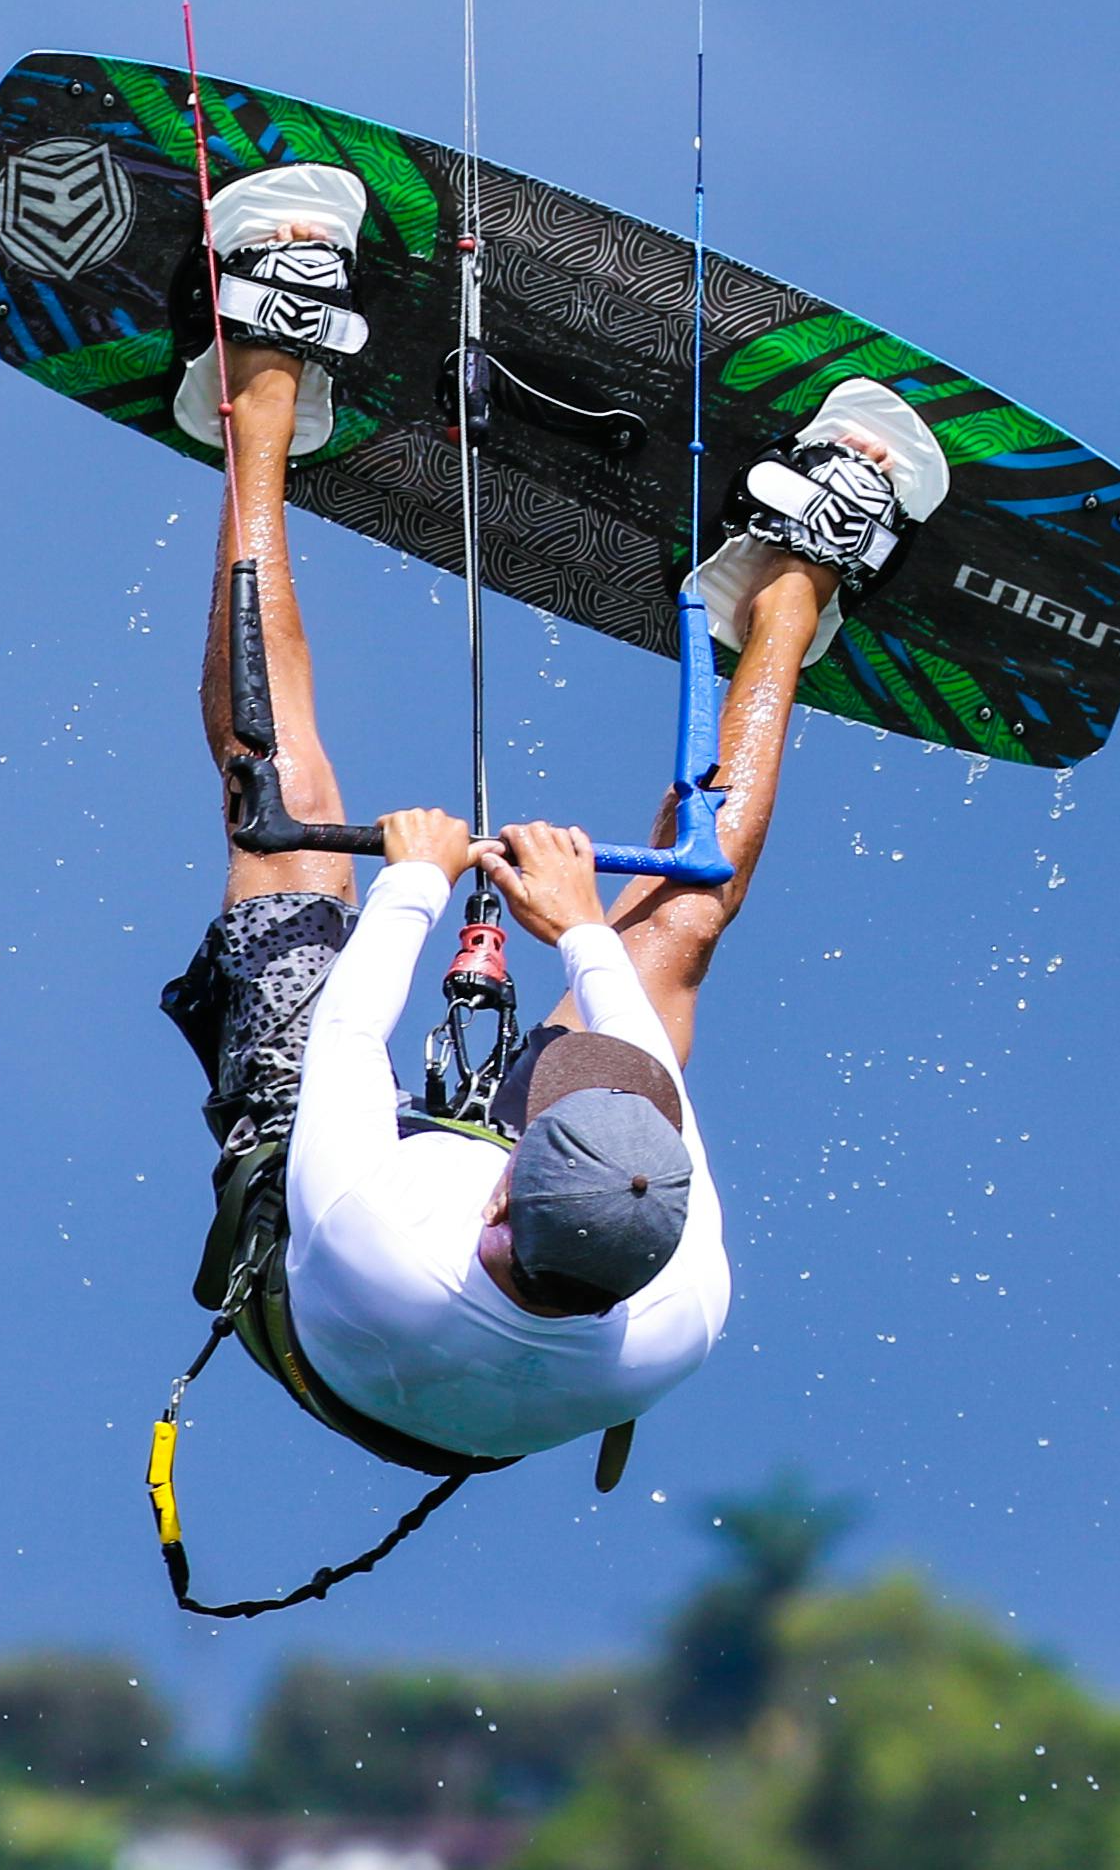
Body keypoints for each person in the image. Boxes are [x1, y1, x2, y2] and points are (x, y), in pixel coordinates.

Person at [159, 158, 949, 1474]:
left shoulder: (380, 1235)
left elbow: (356, 1027)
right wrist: (583, 932)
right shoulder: (682, 1292)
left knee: (281, 832)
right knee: (677, 926)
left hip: (330, 1313)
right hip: (503, 1299)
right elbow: (637, 1047)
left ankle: (255, 385)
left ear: (503, 1198)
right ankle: (798, 587)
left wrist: (413, 886)